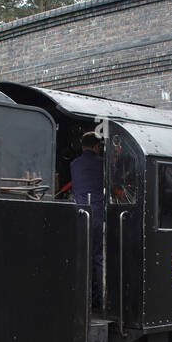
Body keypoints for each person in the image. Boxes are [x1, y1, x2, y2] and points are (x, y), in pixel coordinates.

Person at [70, 132, 106, 308]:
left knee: (82, 256)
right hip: (97, 215)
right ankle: (97, 300)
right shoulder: (102, 164)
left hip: (79, 215)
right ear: (96, 147)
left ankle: (82, 299)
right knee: (97, 257)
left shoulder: (74, 164)